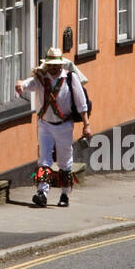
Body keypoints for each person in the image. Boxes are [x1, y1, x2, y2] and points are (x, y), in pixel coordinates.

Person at [16, 47, 91, 207]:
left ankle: (64, 194)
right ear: (47, 65)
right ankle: (42, 193)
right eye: (50, 65)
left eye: (56, 65)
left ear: (61, 65)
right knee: (44, 159)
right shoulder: (40, 78)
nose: (53, 68)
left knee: (65, 161)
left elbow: (81, 104)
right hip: (45, 125)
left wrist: (86, 125)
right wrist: (21, 84)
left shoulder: (71, 78)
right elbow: (28, 84)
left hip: (64, 126)